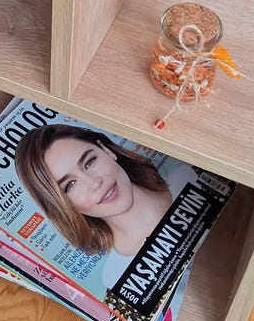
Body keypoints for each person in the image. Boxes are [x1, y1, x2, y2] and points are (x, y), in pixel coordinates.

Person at [14, 123, 192, 287]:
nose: (94, 183)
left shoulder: (189, 176)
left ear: (107, 151)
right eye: (70, 185)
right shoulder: (116, 276)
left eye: (90, 162)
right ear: (64, 207)